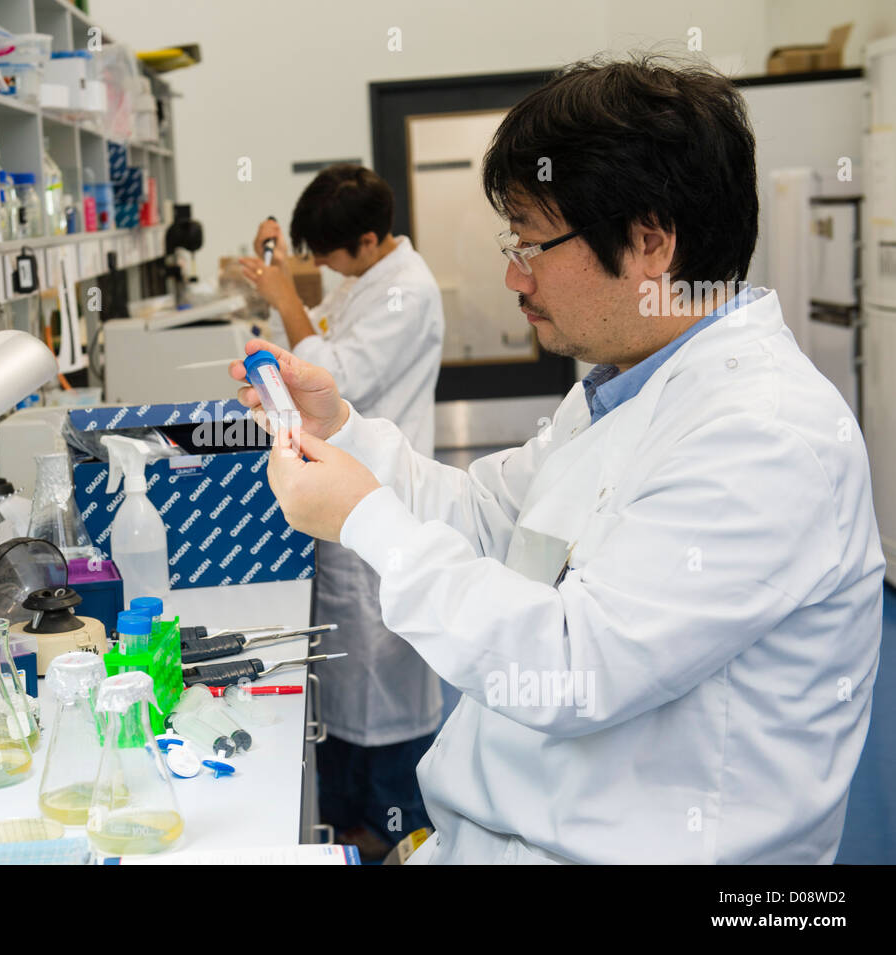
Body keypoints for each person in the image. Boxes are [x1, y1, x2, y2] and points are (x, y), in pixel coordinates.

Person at [231, 55, 885, 864]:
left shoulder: (766, 436)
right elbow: (486, 516)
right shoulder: (622, 387)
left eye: (533, 244)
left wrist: (363, 519)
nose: (513, 274)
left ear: (650, 241)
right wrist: (346, 429)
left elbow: (573, 665)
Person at [237, 164, 444, 858]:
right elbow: (322, 337)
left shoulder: (407, 291)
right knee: (355, 672)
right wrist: (288, 283)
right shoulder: (369, 278)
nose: (320, 265)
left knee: (387, 676)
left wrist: (286, 294)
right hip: (352, 486)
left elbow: (338, 373)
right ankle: (358, 824)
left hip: (385, 490)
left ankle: (403, 829)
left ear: (367, 237)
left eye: (327, 253)